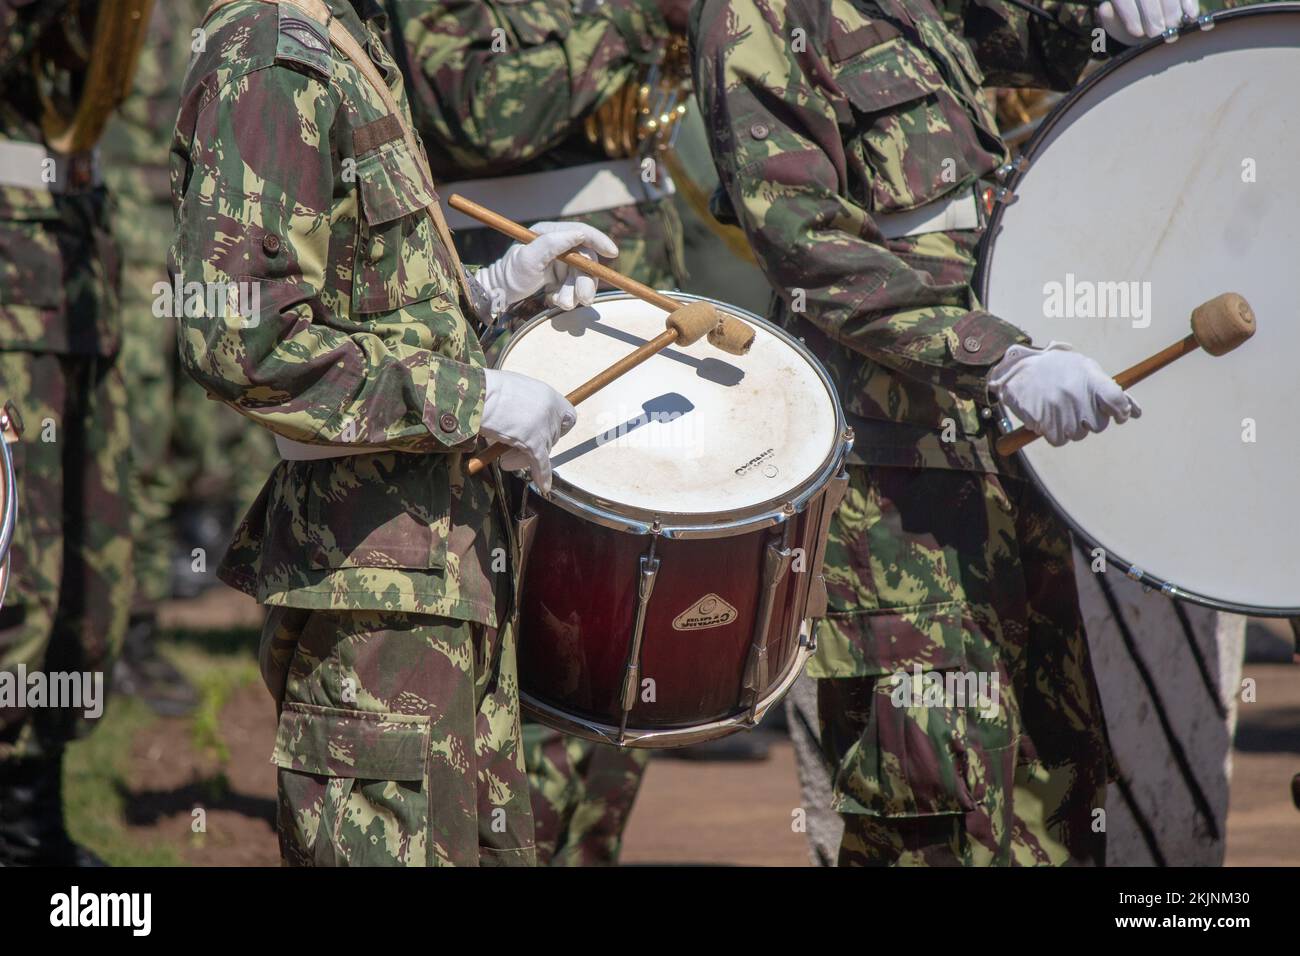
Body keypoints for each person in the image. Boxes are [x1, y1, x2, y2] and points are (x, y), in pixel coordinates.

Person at [691, 0, 1187, 865]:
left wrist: (1114, 18)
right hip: (896, 492)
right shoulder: (757, 15)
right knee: (935, 816)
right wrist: (995, 356)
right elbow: (802, 245)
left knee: (1056, 788)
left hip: (1001, 457)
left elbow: (1036, 38)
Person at [171, 0, 617, 866]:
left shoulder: (344, 33)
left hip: (436, 574)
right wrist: (471, 399)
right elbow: (241, 341)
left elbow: (356, 287)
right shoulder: (271, 58)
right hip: (374, 590)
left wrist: (490, 290)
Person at [384, 0, 701, 866]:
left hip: (625, 279)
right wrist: (640, 21)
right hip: (519, 307)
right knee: (537, 632)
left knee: (621, 636)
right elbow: (481, 108)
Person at [0, 0, 140, 865]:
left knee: (88, 578)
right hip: (14, 278)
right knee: (14, 575)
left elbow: (78, 66)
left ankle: (28, 819)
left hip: (69, 255)